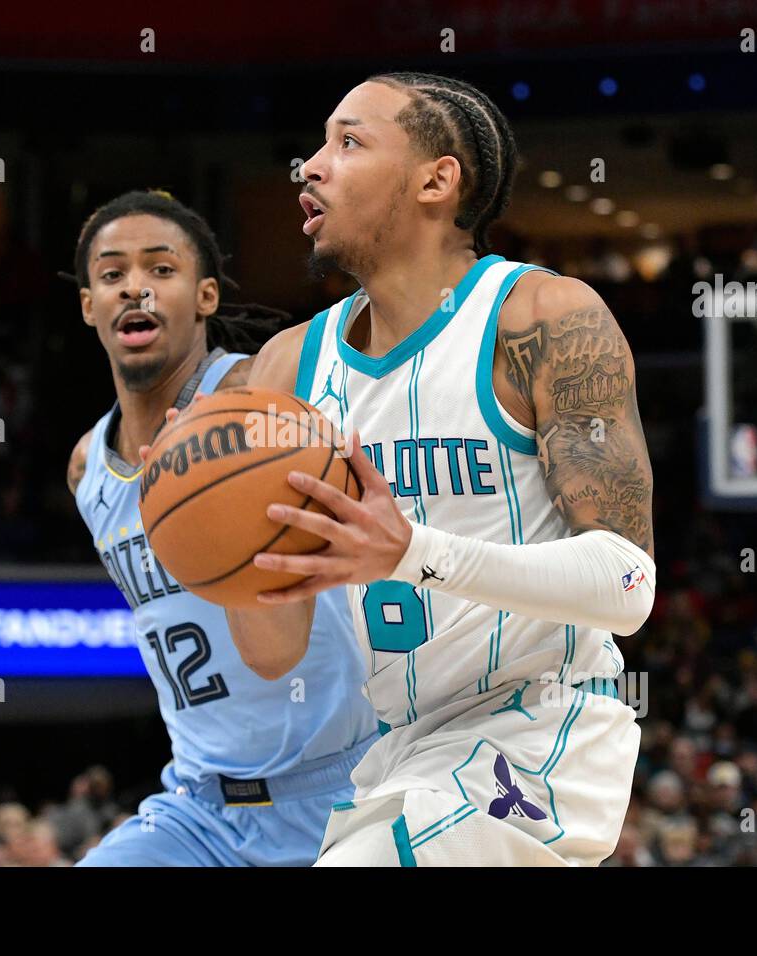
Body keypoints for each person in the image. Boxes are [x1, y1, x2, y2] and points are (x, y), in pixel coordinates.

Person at [220, 72, 656, 865]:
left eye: (348, 142)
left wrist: (414, 554)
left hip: (543, 731)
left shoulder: (542, 318)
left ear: (436, 179)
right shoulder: (287, 368)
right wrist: (207, 528)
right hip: (402, 751)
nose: (310, 166)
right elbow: (272, 650)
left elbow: (629, 588)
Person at [65, 190, 377, 866]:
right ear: (89, 305)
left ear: (206, 296)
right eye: (112, 274)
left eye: (161, 270)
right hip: (199, 809)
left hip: (346, 790)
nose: (135, 288)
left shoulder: (262, 398)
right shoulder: (87, 465)